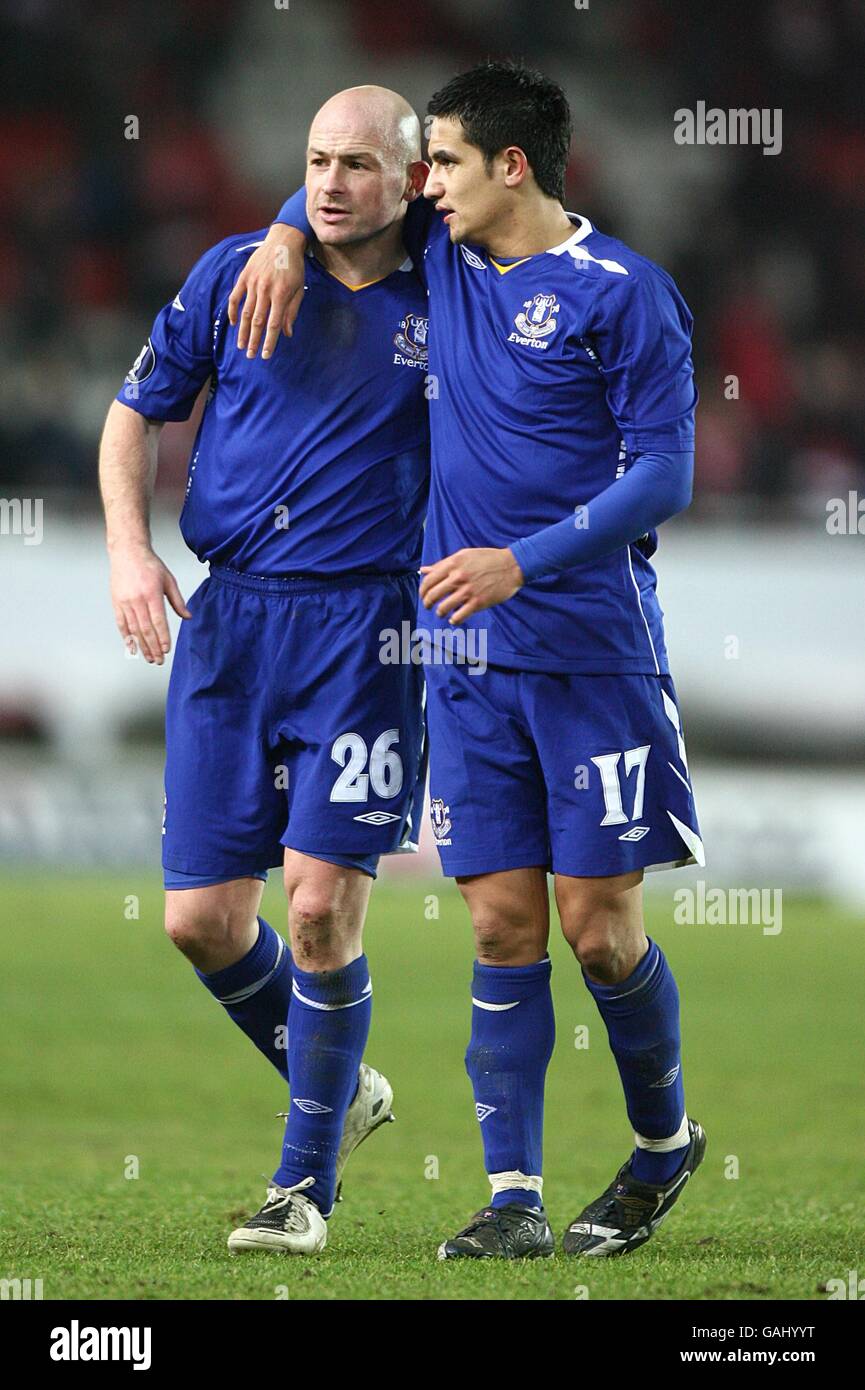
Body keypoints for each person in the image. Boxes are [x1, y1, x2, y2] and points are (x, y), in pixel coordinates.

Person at [232, 59, 706, 1262]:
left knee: (597, 929)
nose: (421, 183)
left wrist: (520, 559)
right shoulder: (439, 260)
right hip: (467, 658)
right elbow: (339, 192)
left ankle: (661, 1147)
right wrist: (287, 235)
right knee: (500, 923)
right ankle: (514, 1195)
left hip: (593, 651)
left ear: (512, 166)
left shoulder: (625, 293)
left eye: (440, 161)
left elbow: (662, 475)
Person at [99, 85, 430, 1255]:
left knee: (320, 908)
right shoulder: (238, 268)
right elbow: (134, 413)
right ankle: (347, 1085)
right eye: (313, 161)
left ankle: (302, 1190)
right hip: (230, 624)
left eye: (356, 165)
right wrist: (134, 556)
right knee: (199, 920)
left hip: (367, 632)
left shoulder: (455, 288)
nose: (332, 182)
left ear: (413, 178)